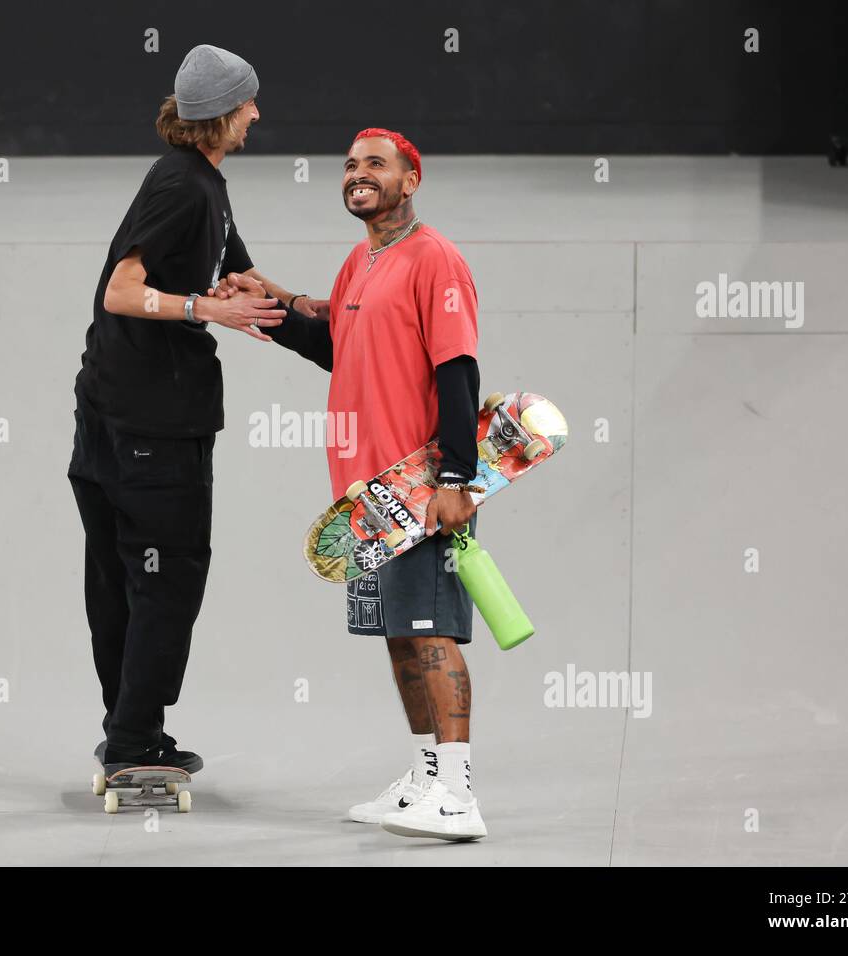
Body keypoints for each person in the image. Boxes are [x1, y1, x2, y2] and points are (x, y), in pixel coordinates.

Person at [213, 128, 488, 841]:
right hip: (366, 495)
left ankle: (459, 795)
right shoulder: (360, 263)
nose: (358, 174)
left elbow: (457, 369)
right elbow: (333, 342)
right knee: (399, 634)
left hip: (421, 482)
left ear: (411, 179)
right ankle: (428, 776)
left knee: (431, 632)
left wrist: (458, 476)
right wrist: (268, 301)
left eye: (376, 164)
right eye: (349, 165)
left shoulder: (436, 259)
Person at [68, 45, 313, 773]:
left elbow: (239, 275)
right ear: (219, 116)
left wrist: (318, 317)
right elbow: (120, 290)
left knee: (120, 579)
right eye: (249, 104)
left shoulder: (202, 183)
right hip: (154, 430)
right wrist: (199, 308)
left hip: (109, 415)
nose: (258, 114)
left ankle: (127, 729)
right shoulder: (184, 188)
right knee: (167, 581)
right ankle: (137, 740)